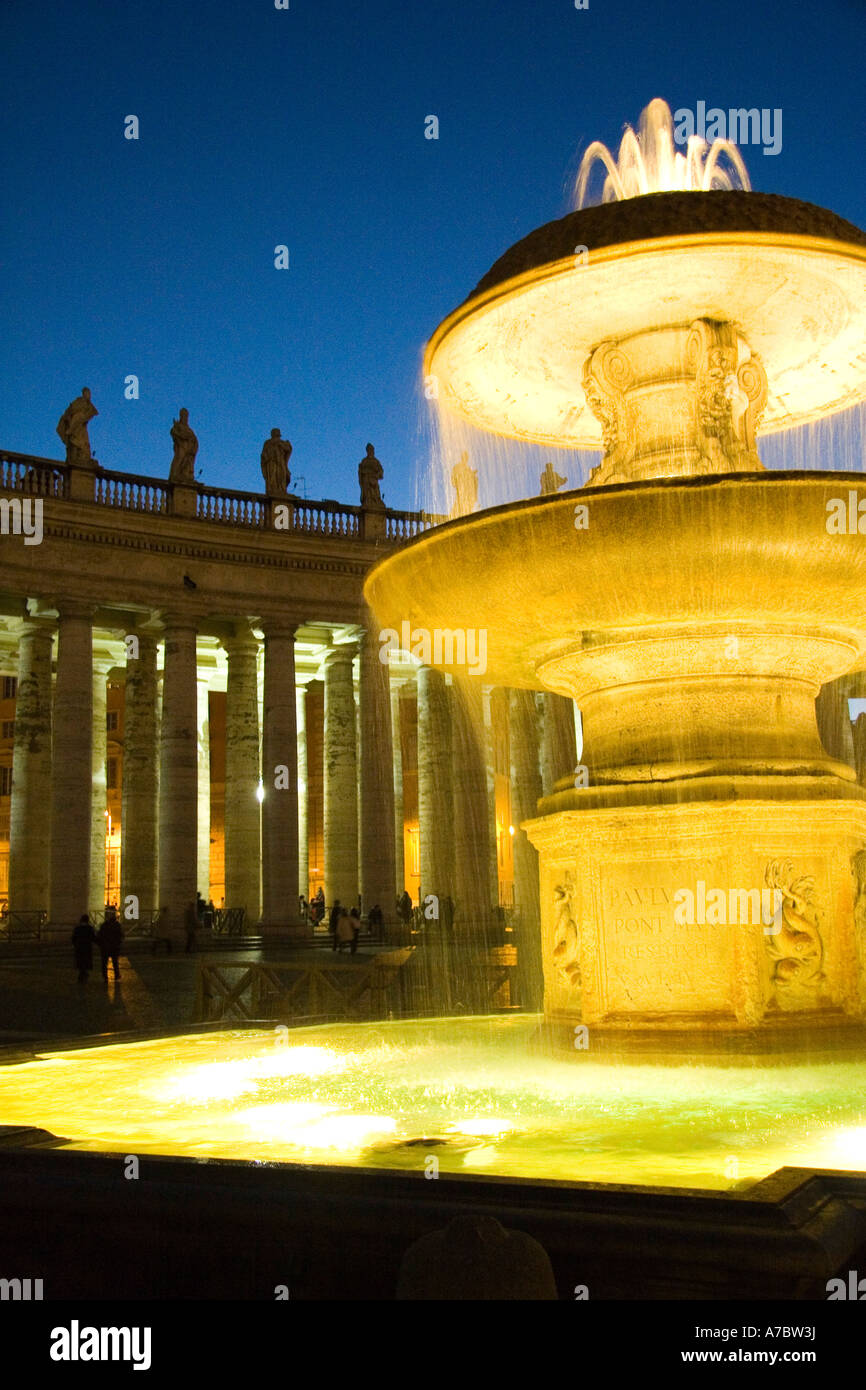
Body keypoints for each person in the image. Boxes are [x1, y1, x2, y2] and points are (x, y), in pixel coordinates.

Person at [56, 387, 98, 467]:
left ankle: (82, 456)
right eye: (87, 393)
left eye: (89, 394)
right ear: (83, 393)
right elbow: (70, 412)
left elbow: (91, 413)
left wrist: (85, 417)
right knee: (75, 440)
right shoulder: (78, 402)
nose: (88, 395)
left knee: (82, 442)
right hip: (75, 424)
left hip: (81, 426)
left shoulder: (89, 405)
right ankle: (77, 456)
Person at [169, 408, 199, 483]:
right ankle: (175, 475)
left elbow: (195, 439)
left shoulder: (189, 429)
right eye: (184, 415)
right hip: (182, 447)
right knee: (179, 459)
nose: (185, 417)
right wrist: (181, 436)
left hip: (189, 449)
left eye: (186, 415)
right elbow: (173, 432)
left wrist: (194, 446)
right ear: (181, 415)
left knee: (187, 463)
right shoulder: (177, 426)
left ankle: (186, 476)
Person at [260, 428, 292, 496]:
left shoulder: (282, 442)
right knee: (272, 477)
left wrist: (284, 445)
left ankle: (282, 490)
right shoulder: (267, 442)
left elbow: (288, 450)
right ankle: (272, 490)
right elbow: (263, 454)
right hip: (271, 462)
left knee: (281, 476)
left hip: (281, 462)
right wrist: (267, 456)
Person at [96, 906, 123, 982]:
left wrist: (100, 944)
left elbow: (99, 936)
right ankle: (116, 975)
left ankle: (105, 977)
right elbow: (120, 935)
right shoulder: (117, 925)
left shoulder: (104, 925)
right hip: (114, 946)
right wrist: (118, 943)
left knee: (104, 963)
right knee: (115, 962)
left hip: (105, 946)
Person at [72, 914, 97, 984]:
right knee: (85, 961)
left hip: (79, 947)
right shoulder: (90, 928)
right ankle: (84, 973)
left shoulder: (77, 928)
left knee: (80, 961)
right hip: (87, 947)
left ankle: (82, 974)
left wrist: (75, 945)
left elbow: (73, 938)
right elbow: (93, 937)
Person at [358, 443, 385, 507]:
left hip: (374, 480)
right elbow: (360, 473)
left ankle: (376, 501)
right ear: (367, 451)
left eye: (372, 450)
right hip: (366, 481)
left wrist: (377, 475)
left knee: (375, 494)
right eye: (369, 450)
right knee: (367, 494)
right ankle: (368, 501)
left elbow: (381, 472)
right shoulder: (364, 461)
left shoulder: (376, 461)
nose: (371, 451)